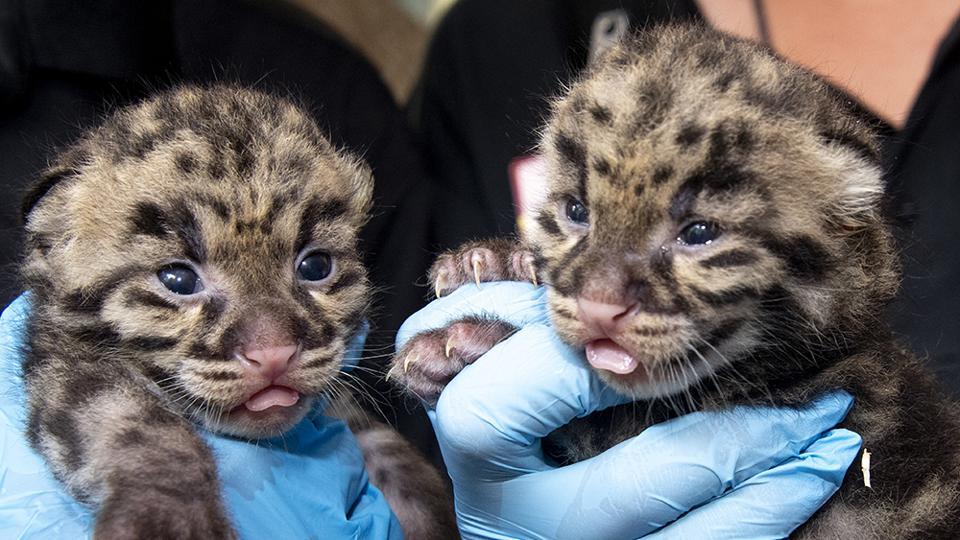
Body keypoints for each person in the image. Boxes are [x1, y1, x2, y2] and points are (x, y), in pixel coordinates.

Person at [405, 0, 960, 536]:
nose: (598, 297)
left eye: (698, 232)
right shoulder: (500, 31)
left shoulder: (876, 441)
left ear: (848, 232)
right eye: (578, 211)